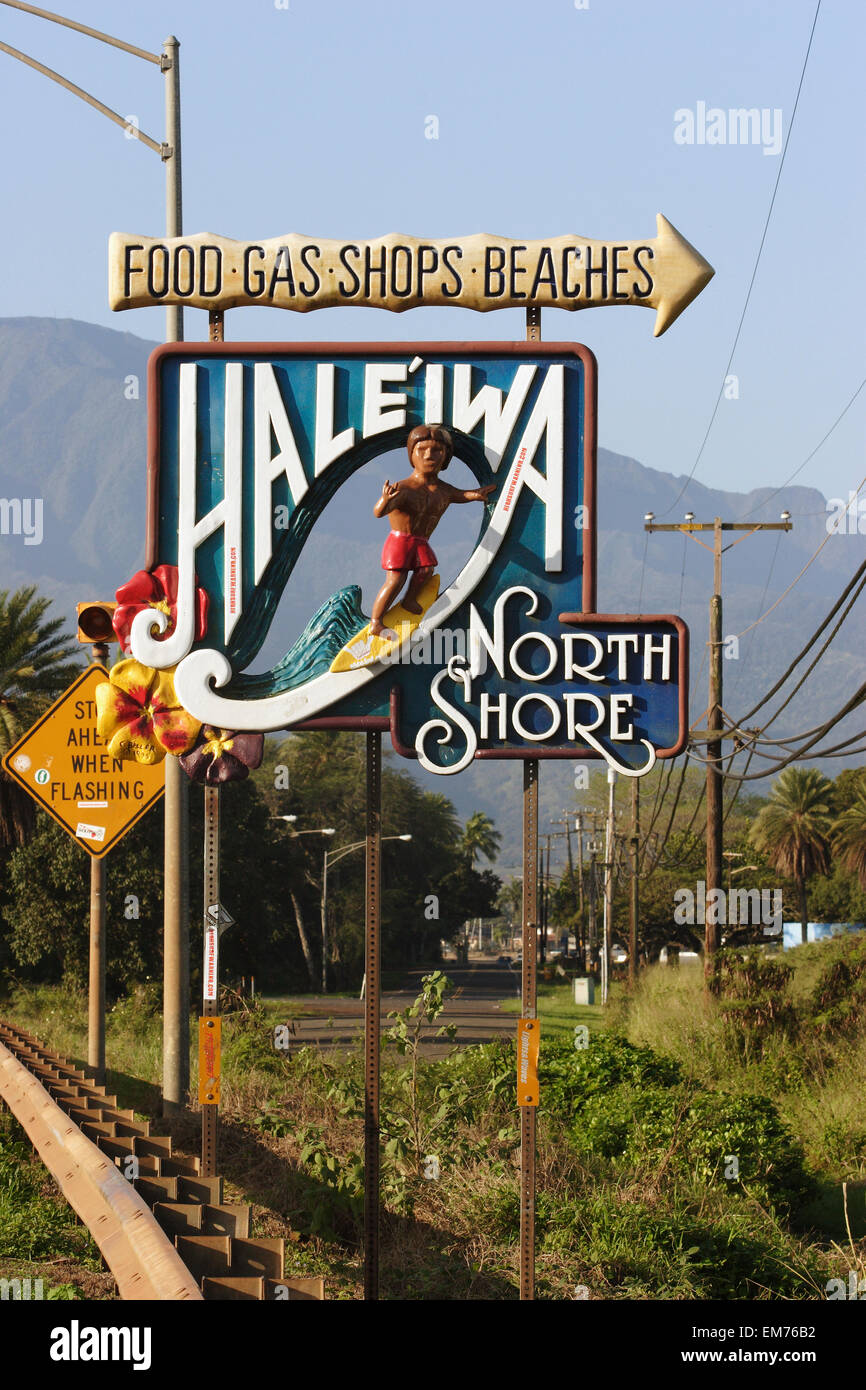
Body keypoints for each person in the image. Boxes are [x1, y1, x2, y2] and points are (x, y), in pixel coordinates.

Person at [370, 425, 496, 635]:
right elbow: (378, 512)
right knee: (395, 580)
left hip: (420, 542)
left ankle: (409, 600)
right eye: (422, 450)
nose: (429, 455)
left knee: (426, 570)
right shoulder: (404, 488)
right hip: (400, 542)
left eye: (437, 450)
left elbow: (461, 495)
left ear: (446, 457)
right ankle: (375, 622)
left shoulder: (443, 489)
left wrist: (477, 494)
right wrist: (385, 500)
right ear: (412, 454)